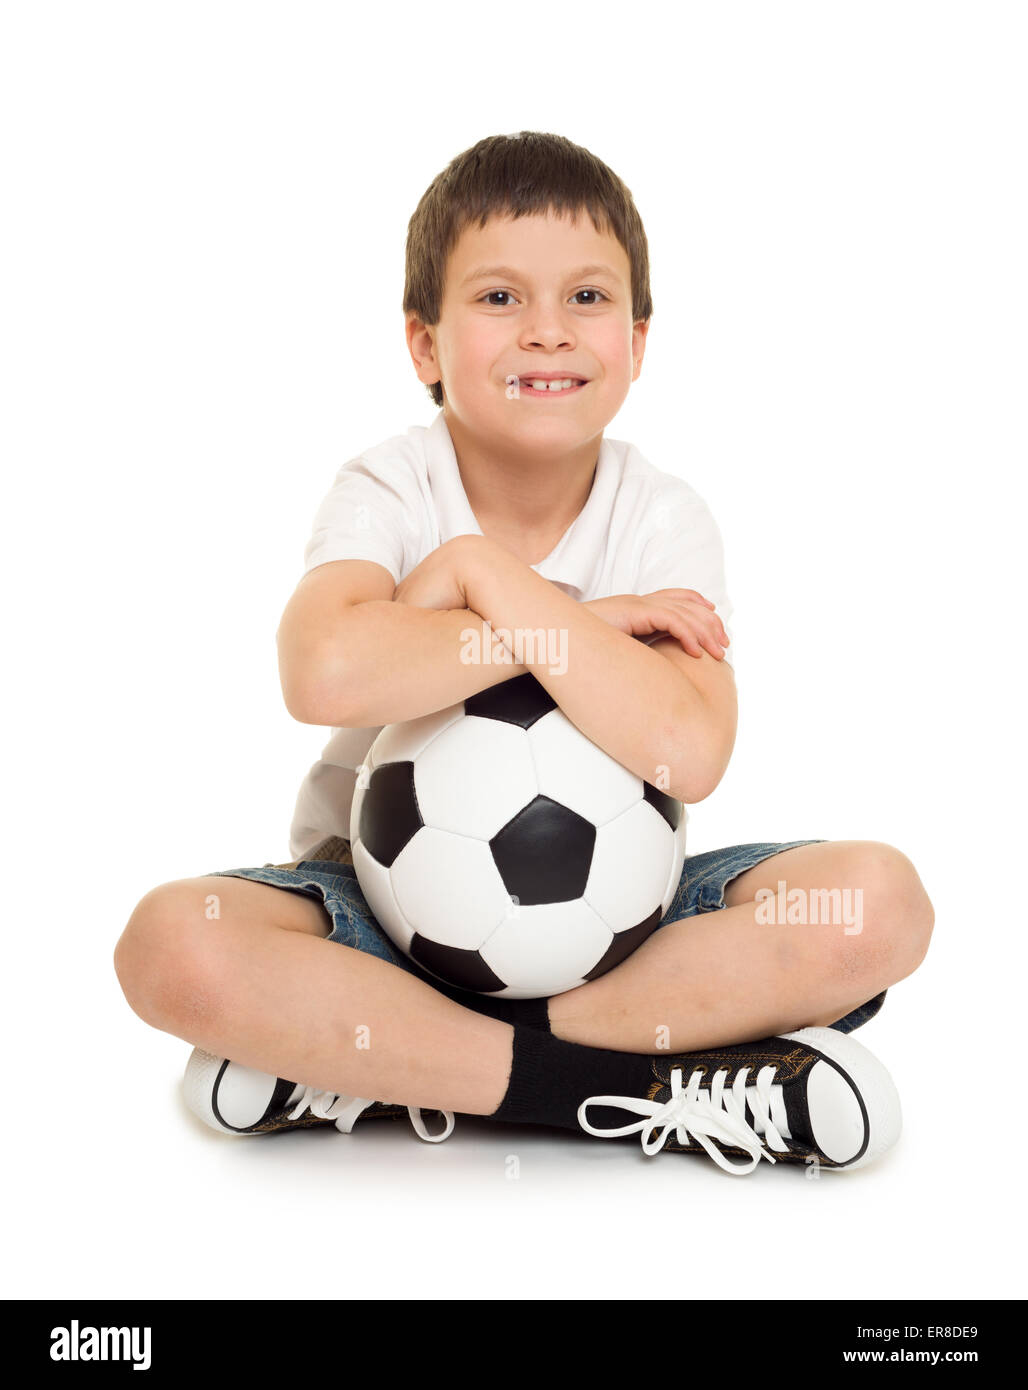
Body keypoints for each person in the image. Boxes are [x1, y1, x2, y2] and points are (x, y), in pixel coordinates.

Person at [114, 131, 934, 1176]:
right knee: (172, 941)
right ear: (423, 344)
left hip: (621, 941)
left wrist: (480, 580)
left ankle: (369, 1065)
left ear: (637, 341)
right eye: (499, 298)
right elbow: (323, 671)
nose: (546, 332)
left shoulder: (661, 517)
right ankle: (640, 1092)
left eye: (587, 299)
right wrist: (582, 624)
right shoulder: (390, 488)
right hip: (378, 926)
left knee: (875, 903)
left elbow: (687, 754)